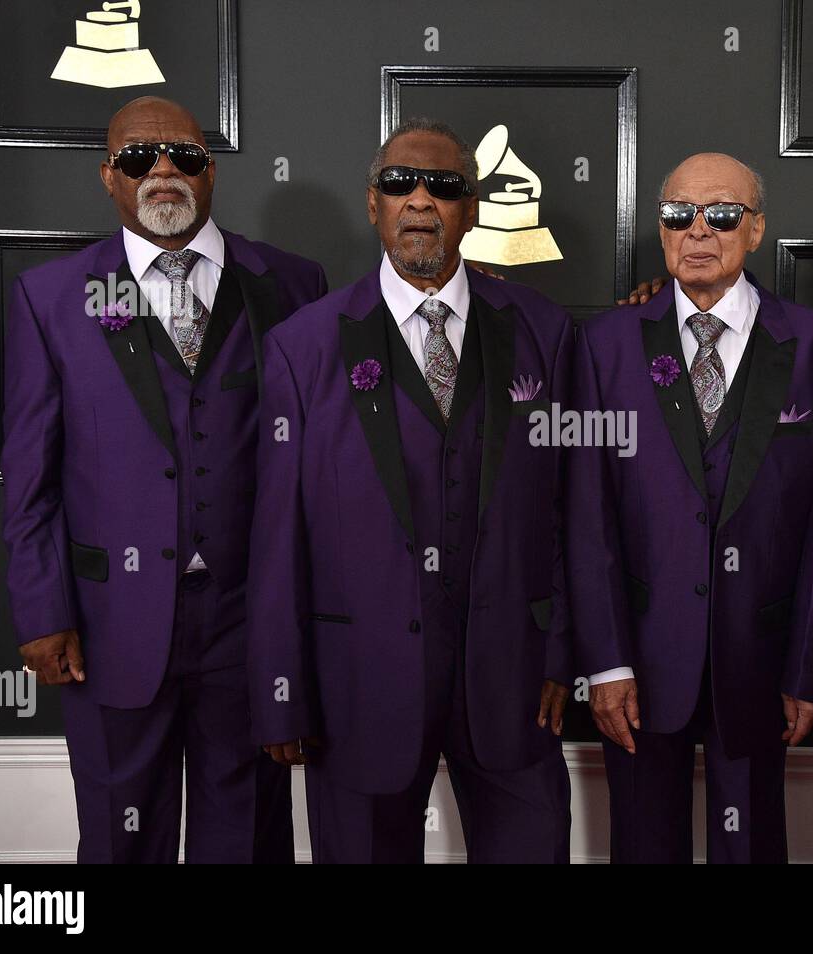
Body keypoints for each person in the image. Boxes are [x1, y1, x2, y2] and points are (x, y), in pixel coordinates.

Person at [1, 96, 328, 863]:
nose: (164, 172)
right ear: (109, 177)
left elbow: (321, 466)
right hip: (109, 621)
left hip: (250, 623)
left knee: (246, 837)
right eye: (140, 159)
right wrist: (40, 608)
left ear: (210, 170)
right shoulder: (51, 298)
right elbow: (29, 473)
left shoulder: (291, 283)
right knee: (120, 838)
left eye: (182, 155)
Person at [246, 118, 573, 863]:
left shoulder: (544, 331)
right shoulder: (304, 345)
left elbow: (571, 509)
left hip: (513, 678)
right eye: (400, 184)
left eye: (444, 186)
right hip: (356, 685)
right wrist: (280, 687)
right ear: (373, 203)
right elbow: (277, 538)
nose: (420, 200)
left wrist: (561, 652)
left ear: (474, 208)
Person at [568, 152, 813, 862]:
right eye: (679, 215)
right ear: (660, 231)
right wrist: (604, 663)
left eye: (721, 214)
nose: (699, 231)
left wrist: (808, 667)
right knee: (641, 845)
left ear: (755, 230)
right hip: (639, 661)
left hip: (761, 661)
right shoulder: (604, 346)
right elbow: (585, 517)